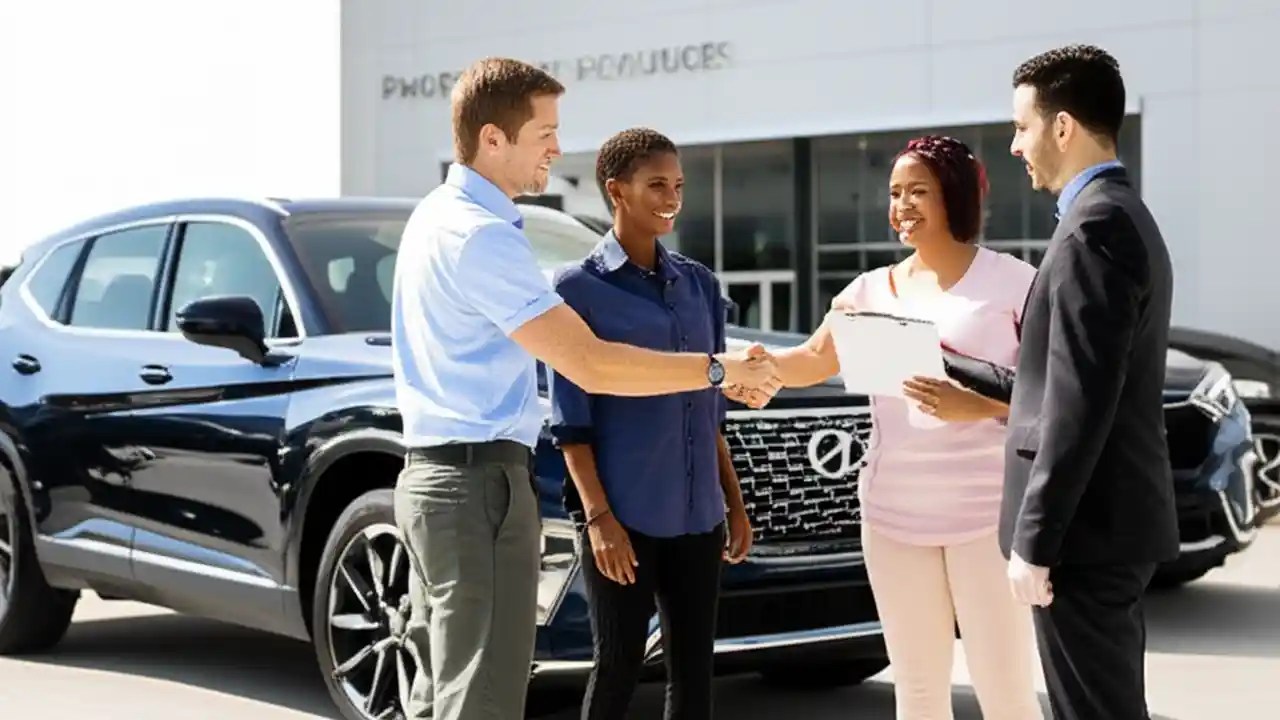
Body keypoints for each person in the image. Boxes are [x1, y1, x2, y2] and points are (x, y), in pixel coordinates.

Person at [390, 58, 779, 720]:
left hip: (439, 482)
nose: (555, 147)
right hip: (477, 488)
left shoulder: (436, 215)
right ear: (493, 139)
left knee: (445, 694)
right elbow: (590, 366)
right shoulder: (480, 235)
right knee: (482, 698)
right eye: (544, 133)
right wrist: (717, 370)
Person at [729, 135, 1045, 720]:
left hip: (987, 518)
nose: (902, 205)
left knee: (1006, 696)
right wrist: (749, 365)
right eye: (895, 193)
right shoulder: (869, 290)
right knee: (918, 693)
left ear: (954, 194)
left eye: (917, 191)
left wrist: (972, 405)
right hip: (892, 517)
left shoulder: (1015, 283)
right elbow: (811, 361)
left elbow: (1049, 391)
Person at [942, 44, 1179, 720]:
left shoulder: (1093, 227)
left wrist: (1036, 544)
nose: (1015, 145)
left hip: (1083, 538)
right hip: (1103, 530)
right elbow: (1065, 379)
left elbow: (1081, 403)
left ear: (1064, 127)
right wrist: (946, 361)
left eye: (1023, 127)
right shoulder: (1117, 214)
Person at [547, 127, 753, 720]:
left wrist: (734, 505)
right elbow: (571, 423)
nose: (672, 198)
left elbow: (709, 412)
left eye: (678, 185)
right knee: (618, 666)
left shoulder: (700, 284)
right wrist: (599, 521)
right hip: (624, 517)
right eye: (657, 184)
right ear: (617, 190)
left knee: (693, 673)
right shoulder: (577, 288)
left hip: (698, 516)